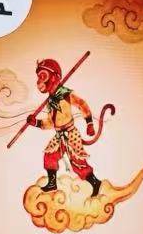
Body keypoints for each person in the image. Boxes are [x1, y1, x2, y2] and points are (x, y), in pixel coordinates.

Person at [25, 58, 106, 196]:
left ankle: (95, 183)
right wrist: (36, 123)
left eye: (43, 76)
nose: (39, 81)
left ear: (54, 77)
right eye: (39, 77)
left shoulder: (65, 93)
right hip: (59, 135)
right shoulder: (50, 100)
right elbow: (51, 122)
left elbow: (81, 104)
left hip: (70, 133)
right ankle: (52, 183)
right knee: (50, 155)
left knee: (77, 161)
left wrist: (89, 124)